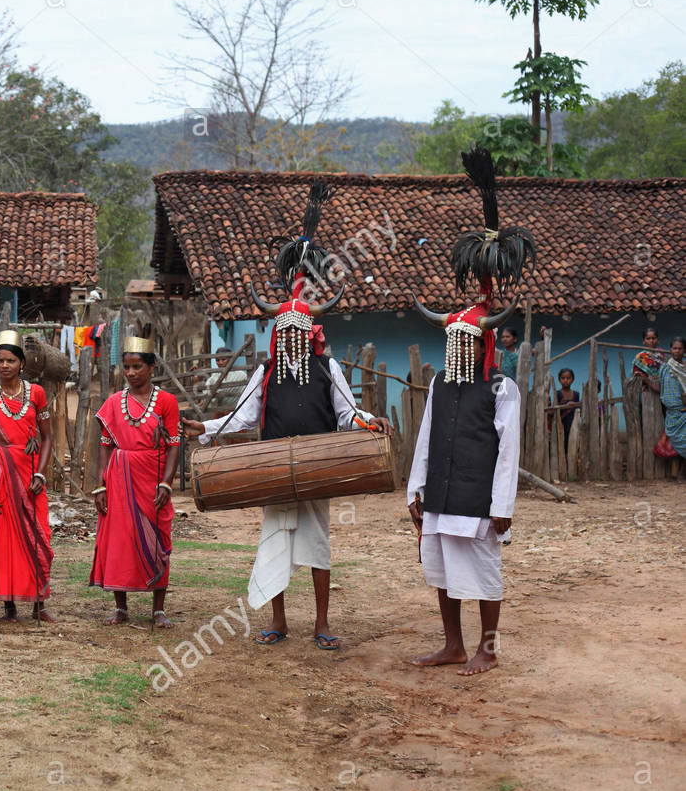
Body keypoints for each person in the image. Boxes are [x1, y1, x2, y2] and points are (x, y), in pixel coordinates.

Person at [182, 179, 391, 651]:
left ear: (310, 330)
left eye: (300, 328)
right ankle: (277, 621)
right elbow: (242, 416)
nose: (293, 336)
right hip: (275, 466)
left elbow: (346, 410)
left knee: (318, 547)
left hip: (317, 466)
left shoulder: (326, 365)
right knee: (274, 542)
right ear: (278, 332)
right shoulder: (266, 370)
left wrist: (368, 422)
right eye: (285, 329)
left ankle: (321, 623)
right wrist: (207, 429)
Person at [408, 146, 529, 676]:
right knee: (441, 570)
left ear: (481, 343)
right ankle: (453, 644)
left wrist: (503, 505)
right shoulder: (440, 383)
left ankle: (488, 648)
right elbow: (426, 437)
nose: (456, 349)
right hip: (441, 493)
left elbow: (507, 456)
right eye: (451, 340)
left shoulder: (502, 388)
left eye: (466, 341)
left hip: (480, 497)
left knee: (481, 570)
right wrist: (415, 488)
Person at [90, 329, 181, 628]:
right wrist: (101, 484)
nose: (130, 373)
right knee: (119, 540)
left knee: (159, 538)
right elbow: (105, 446)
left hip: (153, 478)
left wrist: (166, 483)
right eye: (126, 367)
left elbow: (173, 446)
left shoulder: (167, 401)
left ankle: (158, 609)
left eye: (137, 367)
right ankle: (121, 608)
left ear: (152, 367)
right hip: (119, 478)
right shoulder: (114, 402)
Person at [0, 331, 56, 622]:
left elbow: (47, 439)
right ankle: (9, 606)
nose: (4, 365)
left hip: (30, 476)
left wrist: (41, 475)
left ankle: (39, 605)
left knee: (37, 536)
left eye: (11, 360)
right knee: (3, 541)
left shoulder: (38, 394)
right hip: (0, 475)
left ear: (21, 363)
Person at [660, 337, 686, 480]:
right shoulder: (665, 368)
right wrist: (646, 381)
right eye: (674, 348)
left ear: (684, 350)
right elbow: (661, 388)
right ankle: (679, 473)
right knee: (678, 442)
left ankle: (682, 473)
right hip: (672, 413)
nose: (677, 351)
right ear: (670, 350)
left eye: (680, 348)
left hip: (685, 411)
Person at [633, 326, 666, 397]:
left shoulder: (663, 354)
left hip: (664, 389)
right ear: (643, 341)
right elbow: (636, 376)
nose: (651, 341)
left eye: (654, 338)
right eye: (648, 338)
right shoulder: (640, 357)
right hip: (647, 391)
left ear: (658, 340)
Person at [555, 367, 580, 449]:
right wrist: (563, 406)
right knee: (562, 445)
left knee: (573, 445)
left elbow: (579, 410)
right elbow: (554, 411)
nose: (566, 380)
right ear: (559, 380)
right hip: (561, 424)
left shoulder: (576, 394)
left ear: (572, 380)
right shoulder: (558, 394)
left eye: (568, 378)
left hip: (573, 424)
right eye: (563, 378)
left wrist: (576, 405)